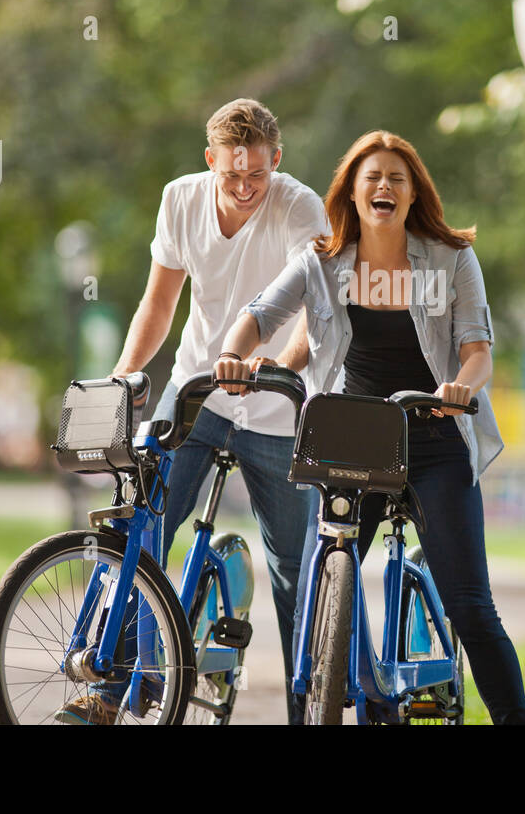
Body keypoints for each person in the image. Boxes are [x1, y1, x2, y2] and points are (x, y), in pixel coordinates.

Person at [216, 130, 525, 725]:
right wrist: (235, 355)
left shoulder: (453, 258)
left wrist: (460, 385)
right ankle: (355, 698)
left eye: (396, 178)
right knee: (323, 592)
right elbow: (260, 316)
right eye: (372, 178)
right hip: (352, 441)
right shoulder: (321, 260)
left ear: (413, 196)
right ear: (353, 195)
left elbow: (479, 350)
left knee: (471, 608)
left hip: (434, 437)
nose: (383, 186)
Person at [56, 98, 327, 725]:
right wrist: (125, 376)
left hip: (276, 407)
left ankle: (310, 703)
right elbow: (159, 305)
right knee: (142, 530)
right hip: (196, 392)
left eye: (256, 173)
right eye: (231, 174)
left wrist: (278, 368)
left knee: (295, 564)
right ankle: (113, 689)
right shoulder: (181, 199)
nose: (244, 187)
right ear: (211, 161)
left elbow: (314, 318)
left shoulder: (299, 207)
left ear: (276, 162)